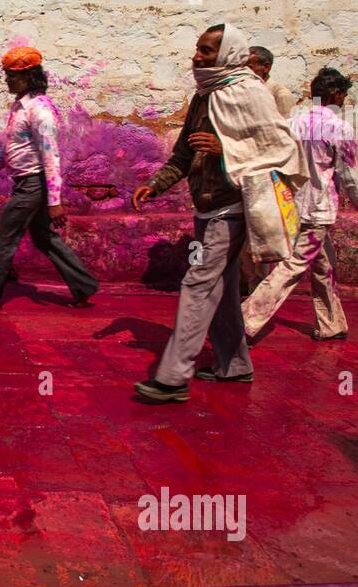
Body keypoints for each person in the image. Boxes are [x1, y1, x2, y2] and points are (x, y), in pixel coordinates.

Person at [131, 22, 306, 404]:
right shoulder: (203, 96)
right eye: (197, 48)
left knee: (199, 283)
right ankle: (235, 364)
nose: (197, 56)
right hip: (206, 206)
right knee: (224, 289)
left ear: (227, 54)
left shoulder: (249, 93)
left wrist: (225, 150)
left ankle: (174, 377)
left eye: (207, 50)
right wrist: (157, 183)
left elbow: (280, 149)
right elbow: (183, 153)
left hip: (235, 207)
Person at [242, 67, 358, 342]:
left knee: (324, 265)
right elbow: (351, 174)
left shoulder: (295, 122)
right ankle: (245, 319)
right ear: (337, 94)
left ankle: (331, 324)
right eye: (343, 95)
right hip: (318, 208)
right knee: (293, 266)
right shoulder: (338, 127)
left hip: (292, 205)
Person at [0, 46, 98, 313]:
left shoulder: (41, 112)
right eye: (7, 75)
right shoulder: (21, 107)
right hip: (28, 182)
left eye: (13, 75)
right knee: (44, 237)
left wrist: (55, 202)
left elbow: (51, 157)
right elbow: (13, 145)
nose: (7, 80)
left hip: (32, 185)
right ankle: (83, 285)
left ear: (30, 76)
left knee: (3, 240)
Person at [248, 46, 296, 118]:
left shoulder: (281, 95)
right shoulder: (246, 90)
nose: (243, 71)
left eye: (249, 67)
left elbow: (287, 126)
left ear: (266, 67)